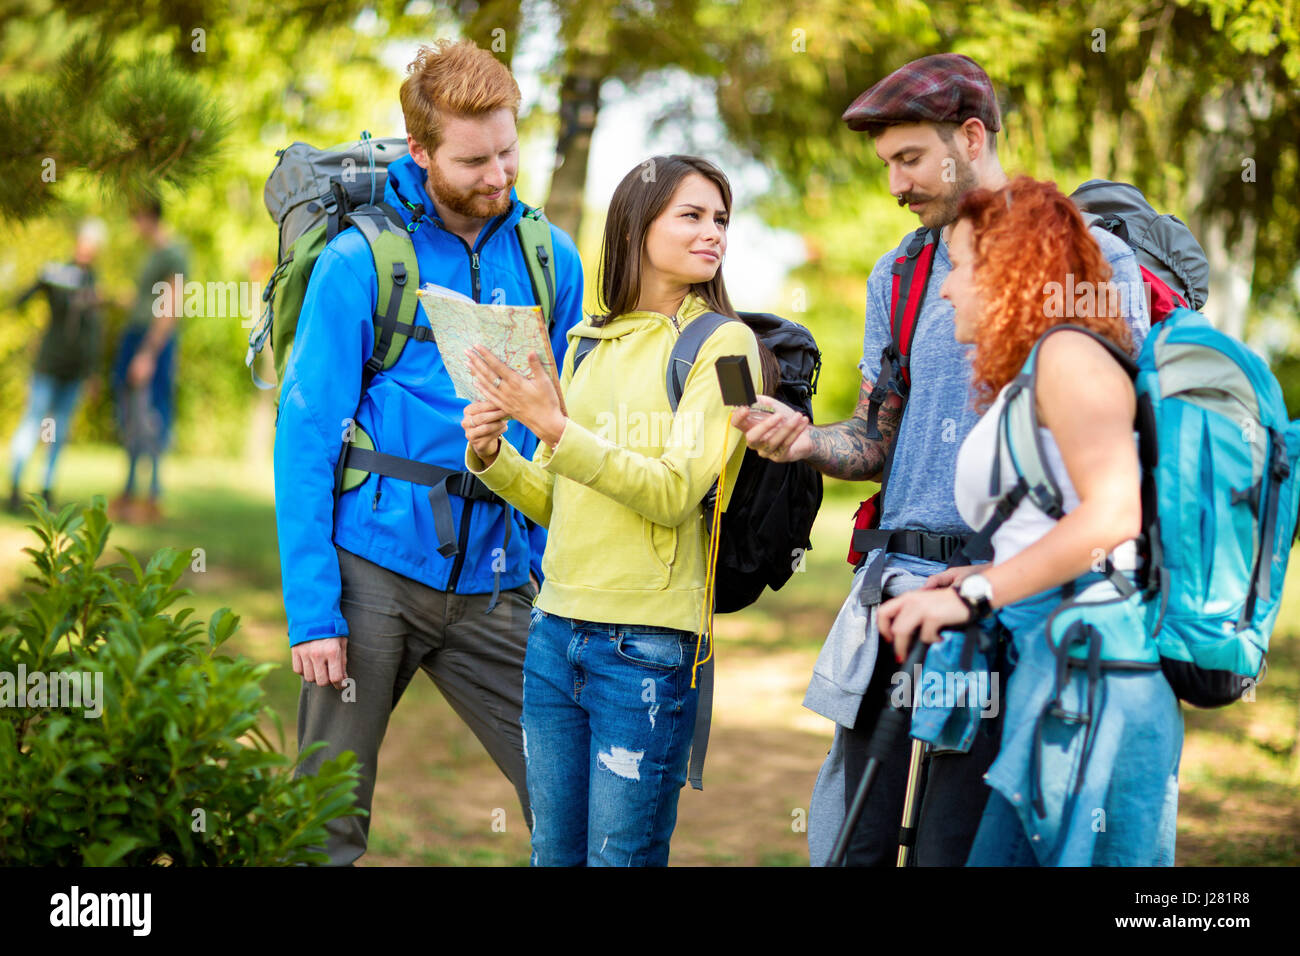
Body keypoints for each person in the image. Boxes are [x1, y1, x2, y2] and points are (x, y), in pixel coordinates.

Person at [732, 53, 1151, 866]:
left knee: (953, 846)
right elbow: (877, 435)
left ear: (969, 136)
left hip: (1008, 613)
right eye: (887, 164)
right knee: (846, 843)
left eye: (910, 159)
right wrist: (807, 442)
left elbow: (1105, 464)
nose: (895, 184)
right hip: (897, 593)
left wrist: (990, 587)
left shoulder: (1092, 261)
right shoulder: (902, 270)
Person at [276, 39, 584, 866]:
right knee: (324, 823)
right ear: (421, 152)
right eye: (475, 159)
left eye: (509, 151)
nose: (498, 175)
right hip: (371, 571)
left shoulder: (551, 259)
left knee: (574, 793)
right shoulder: (360, 263)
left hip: (499, 578)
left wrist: (548, 568)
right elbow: (305, 433)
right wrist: (313, 611)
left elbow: (566, 428)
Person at [460, 154, 765, 866]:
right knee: (552, 856)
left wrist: (558, 430)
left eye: (720, 218)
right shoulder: (584, 344)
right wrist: (494, 456)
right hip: (554, 633)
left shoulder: (730, 347)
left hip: (649, 649)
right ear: (636, 224)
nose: (712, 232)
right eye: (691, 215)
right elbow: (560, 503)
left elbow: (672, 491)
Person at [878, 176, 1182, 865]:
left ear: (1011, 268)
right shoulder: (1036, 370)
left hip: (1095, 680)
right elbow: (1065, 521)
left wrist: (975, 594)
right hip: (1058, 668)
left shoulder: (1069, 355)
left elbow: (1114, 513)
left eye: (959, 268)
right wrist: (986, 573)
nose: (947, 289)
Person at [8, 219, 108, 512]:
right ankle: (14, 487)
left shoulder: (94, 285)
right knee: (33, 423)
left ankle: (46, 489)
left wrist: (92, 373)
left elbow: (93, 335)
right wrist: (38, 281)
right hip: (48, 367)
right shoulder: (58, 274)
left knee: (59, 431)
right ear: (77, 243)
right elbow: (24, 299)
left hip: (74, 372)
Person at [109, 194, 187, 524]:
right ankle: (129, 491)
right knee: (130, 415)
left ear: (149, 215)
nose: (134, 224)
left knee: (150, 415)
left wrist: (148, 354)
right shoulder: (153, 252)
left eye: (136, 216)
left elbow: (171, 305)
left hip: (150, 343)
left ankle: (152, 496)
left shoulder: (173, 251)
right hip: (135, 337)